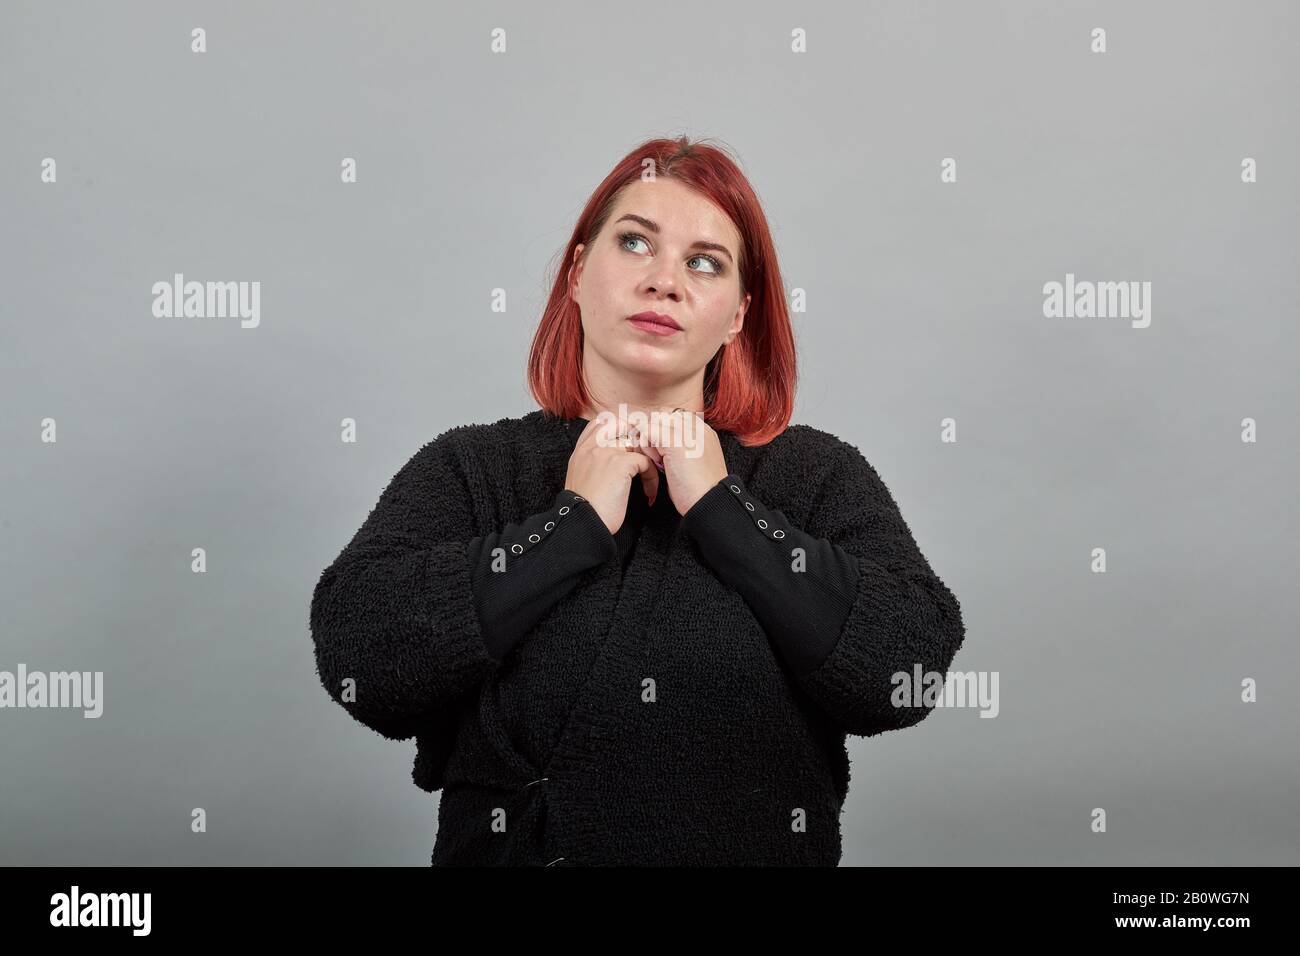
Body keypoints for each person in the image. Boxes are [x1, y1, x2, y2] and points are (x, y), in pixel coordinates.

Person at [309, 135, 966, 865]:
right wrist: (566, 527)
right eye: (634, 244)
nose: (665, 282)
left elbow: (906, 673)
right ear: (579, 273)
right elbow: (359, 659)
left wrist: (724, 508)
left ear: (739, 314)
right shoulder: (471, 469)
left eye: (704, 263)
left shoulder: (817, 476)